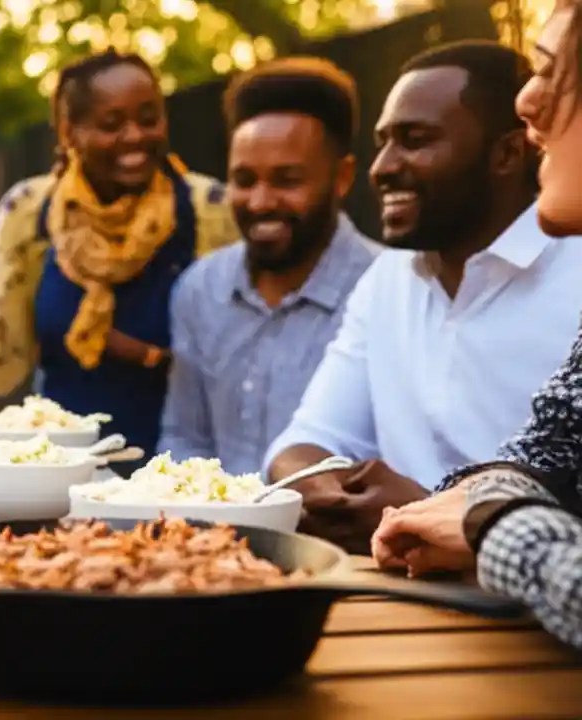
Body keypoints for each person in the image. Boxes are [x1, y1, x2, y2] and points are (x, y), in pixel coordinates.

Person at [264, 40, 582, 553]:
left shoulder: (574, 272)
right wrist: (326, 490)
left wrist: (433, 514)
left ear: (506, 152)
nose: (383, 167)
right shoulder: (386, 278)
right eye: (383, 142)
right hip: (396, 587)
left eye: (415, 140)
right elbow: (305, 444)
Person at [372, 2, 582, 651]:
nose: (528, 103)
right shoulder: (387, 280)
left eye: (557, 75)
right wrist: (481, 501)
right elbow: (548, 450)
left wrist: (492, 519)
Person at [0, 49, 238, 461]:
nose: (134, 136)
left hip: (177, 473)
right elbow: (0, 370)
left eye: (148, 119)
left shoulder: (210, 209)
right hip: (61, 467)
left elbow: (233, 362)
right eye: (111, 124)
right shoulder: (28, 212)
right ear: (69, 132)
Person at [158, 57, 376, 475]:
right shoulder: (199, 289)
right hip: (209, 535)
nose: (260, 202)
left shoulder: (389, 292)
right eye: (244, 180)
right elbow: (184, 438)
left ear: (342, 178)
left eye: (287, 180)